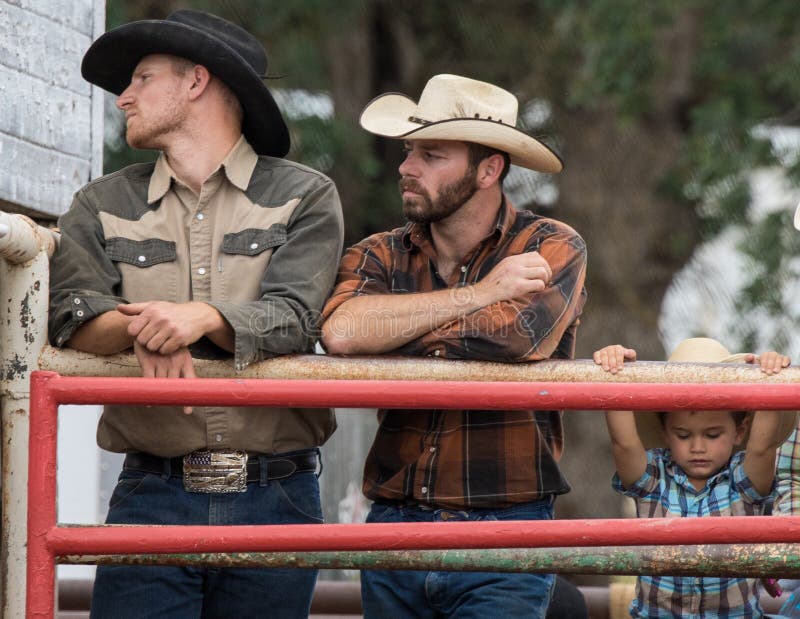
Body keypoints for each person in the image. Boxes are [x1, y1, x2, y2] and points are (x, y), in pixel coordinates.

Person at [48, 10, 344, 618]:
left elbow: (296, 316)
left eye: (141, 78)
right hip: (151, 490)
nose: (124, 96)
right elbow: (72, 317)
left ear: (195, 81)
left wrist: (200, 318)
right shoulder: (100, 202)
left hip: (277, 495)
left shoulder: (306, 194)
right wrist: (145, 327)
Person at [321, 73, 588, 618]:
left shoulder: (552, 244)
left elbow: (514, 337)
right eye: (409, 151)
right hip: (394, 524)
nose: (406, 167)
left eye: (432, 154)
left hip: (506, 526)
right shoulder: (378, 253)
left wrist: (394, 337)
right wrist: (484, 293)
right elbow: (343, 332)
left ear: (489, 169)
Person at [593, 337, 796, 619]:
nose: (698, 447)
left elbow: (762, 446)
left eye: (713, 435)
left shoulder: (743, 480)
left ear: (740, 430)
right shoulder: (653, 477)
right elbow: (624, 443)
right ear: (665, 431)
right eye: (683, 435)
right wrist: (614, 371)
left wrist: (768, 375)